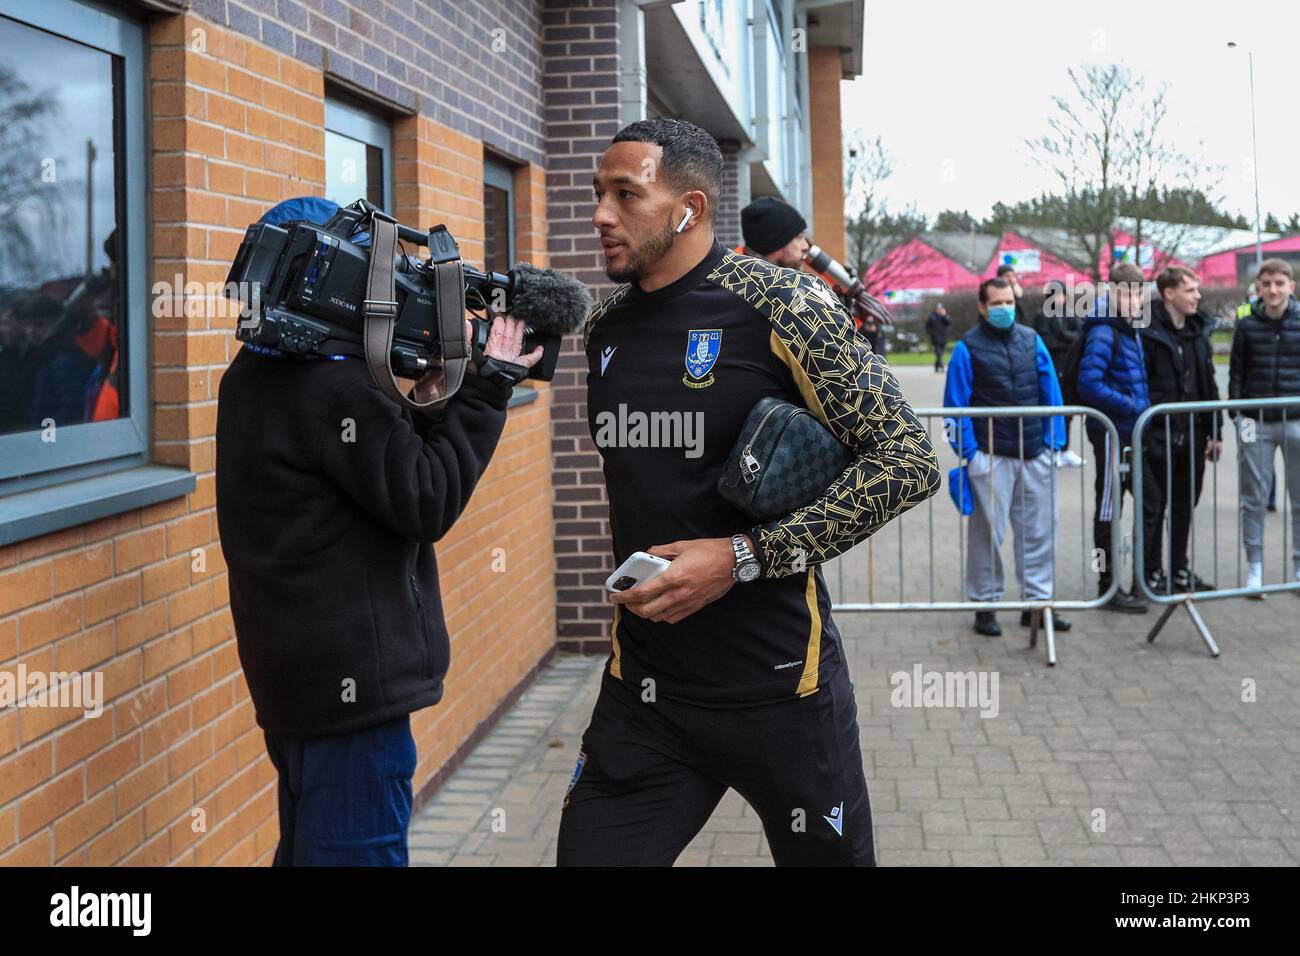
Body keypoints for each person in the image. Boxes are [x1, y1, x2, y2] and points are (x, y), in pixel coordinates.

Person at [563, 117, 940, 866]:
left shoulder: (783, 306)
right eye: (598, 193)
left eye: (625, 194)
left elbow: (907, 459)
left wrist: (743, 556)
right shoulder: (603, 323)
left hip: (781, 696)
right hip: (644, 696)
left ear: (690, 209)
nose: (601, 213)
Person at [215, 196, 544, 866]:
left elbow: (366, 477)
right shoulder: (333, 390)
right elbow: (426, 499)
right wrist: (484, 393)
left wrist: (422, 407)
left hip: (299, 684)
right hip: (353, 702)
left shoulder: (250, 379)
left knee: (312, 850)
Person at [943, 276, 1069, 637]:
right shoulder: (967, 348)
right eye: (996, 303)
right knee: (987, 534)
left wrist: (1053, 443)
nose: (1004, 308)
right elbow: (955, 406)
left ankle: (1038, 604)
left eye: (1009, 302)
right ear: (982, 307)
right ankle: (985, 604)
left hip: (1034, 453)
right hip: (991, 455)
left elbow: (1052, 395)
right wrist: (970, 454)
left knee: (1040, 532)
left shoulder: (1033, 341)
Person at [1138, 266, 1224, 594]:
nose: (1198, 296)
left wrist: (1215, 431)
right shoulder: (1145, 331)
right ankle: (1151, 573)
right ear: (1169, 294)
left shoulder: (1199, 333)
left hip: (1193, 434)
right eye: (1190, 290)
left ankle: (1179, 570)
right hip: (1157, 434)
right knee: (1154, 506)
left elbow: (1208, 383)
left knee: (1184, 504)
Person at [1077, 262, 1151, 613]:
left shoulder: (1127, 327)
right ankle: (1106, 585)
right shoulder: (1104, 330)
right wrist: (1130, 406)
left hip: (1128, 432)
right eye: (1129, 292)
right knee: (1108, 510)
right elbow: (1088, 383)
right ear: (1113, 292)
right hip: (1110, 432)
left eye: (1139, 292)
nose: (1136, 300)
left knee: (1146, 502)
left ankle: (1140, 578)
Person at [1228, 257, 1300, 591]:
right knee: (1252, 499)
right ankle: (1254, 567)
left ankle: (1299, 566)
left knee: (1299, 499)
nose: (1273, 290)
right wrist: (1237, 412)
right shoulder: (1247, 323)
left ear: (1291, 287)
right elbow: (1236, 371)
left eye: (1279, 284)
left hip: (1295, 421)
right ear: (1258, 287)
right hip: (1254, 422)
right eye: (1266, 284)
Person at [925, 302, 951, 372]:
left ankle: (937, 365)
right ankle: (941, 365)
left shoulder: (944, 316)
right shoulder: (932, 317)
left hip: (943, 337)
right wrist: (932, 334)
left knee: (941, 353)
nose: (939, 310)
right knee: (938, 352)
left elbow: (949, 322)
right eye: (938, 309)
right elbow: (927, 327)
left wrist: (944, 315)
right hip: (935, 338)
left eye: (941, 309)